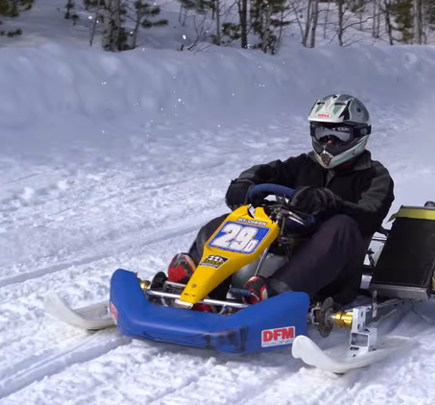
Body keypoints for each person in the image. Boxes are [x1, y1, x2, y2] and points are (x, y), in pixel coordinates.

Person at [151, 93, 395, 306]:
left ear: (359, 136)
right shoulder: (304, 164)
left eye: (338, 135)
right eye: (323, 133)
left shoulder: (375, 175)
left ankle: (276, 293)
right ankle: (196, 280)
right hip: (287, 248)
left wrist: (329, 202)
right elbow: (267, 172)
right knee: (236, 218)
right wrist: (244, 183)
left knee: (341, 224)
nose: (328, 142)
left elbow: (369, 215)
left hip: (333, 276)